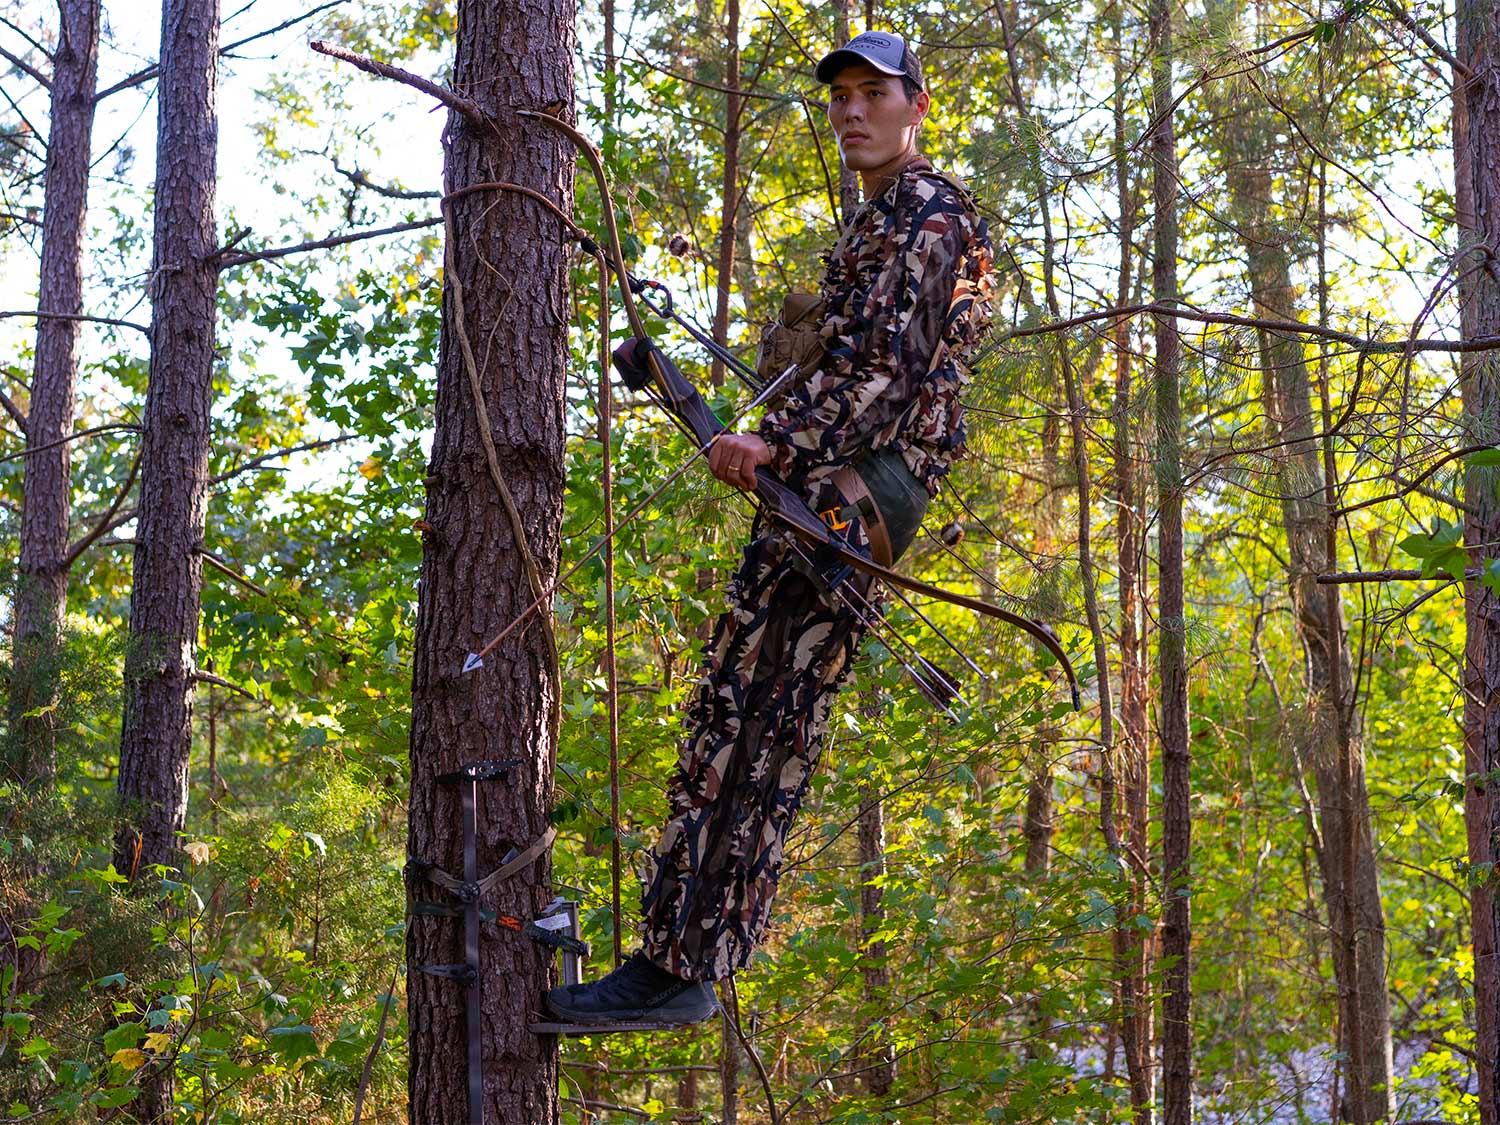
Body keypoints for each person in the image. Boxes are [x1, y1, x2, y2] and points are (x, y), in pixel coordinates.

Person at [544, 30, 995, 1026]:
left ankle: (680, 970)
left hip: (853, 491)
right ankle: (675, 957)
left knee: (762, 719)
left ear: (917, 105)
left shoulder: (930, 217)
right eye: (839, 96)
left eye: (873, 93)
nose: (851, 110)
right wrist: (771, 431)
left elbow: (886, 375)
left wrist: (777, 445)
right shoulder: (880, 221)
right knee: (739, 706)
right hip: (828, 486)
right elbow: (851, 358)